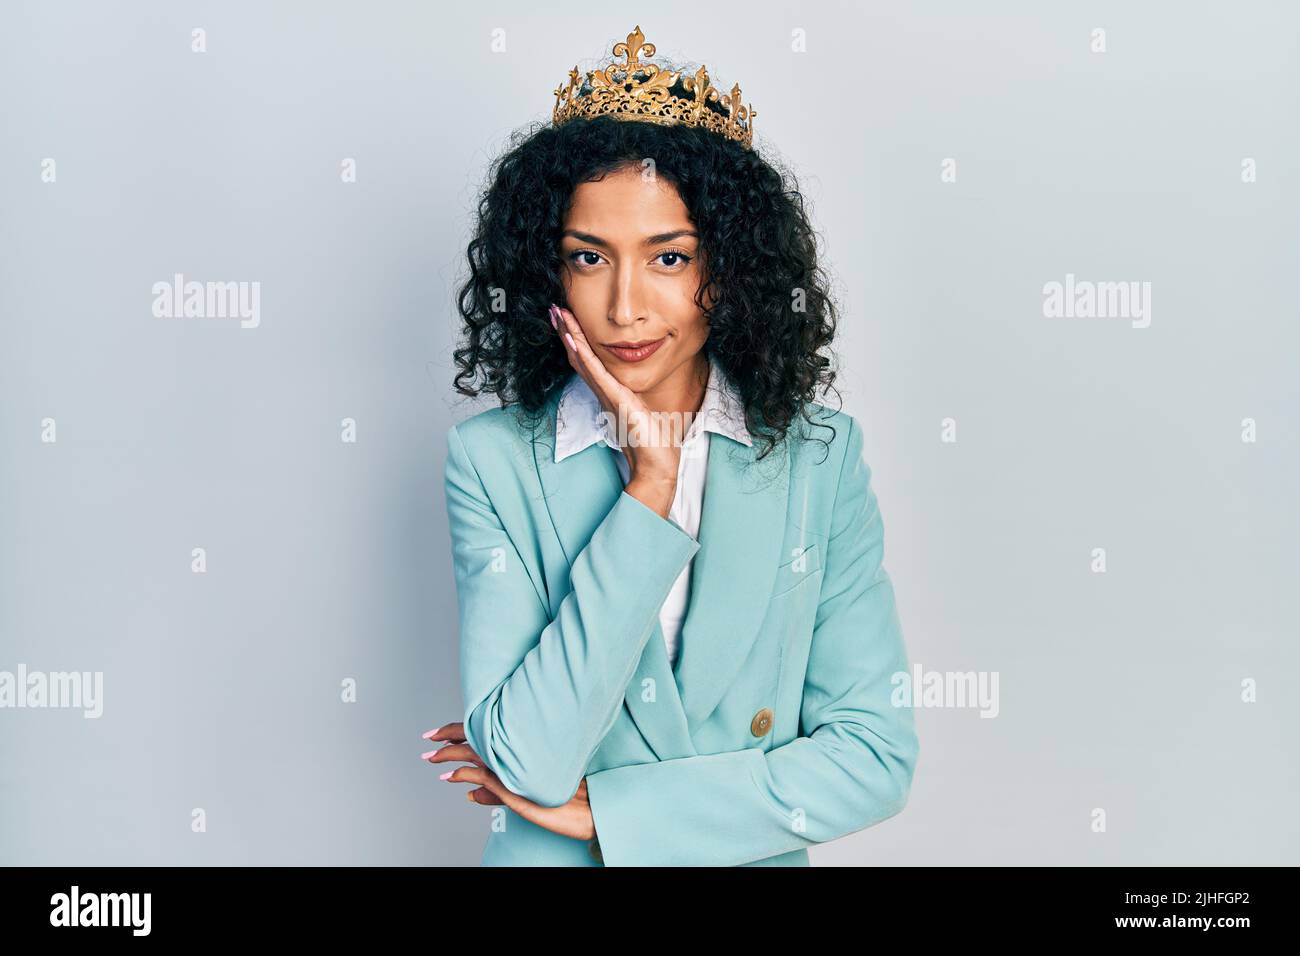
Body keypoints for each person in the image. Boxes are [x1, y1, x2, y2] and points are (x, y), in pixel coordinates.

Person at [421, 25, 919, 866]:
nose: (624, 306)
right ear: (549, 273)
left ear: (731, 269)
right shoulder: (492, 461)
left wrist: (619, 815)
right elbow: (531, 762)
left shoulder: (818, 457)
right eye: (589, 256)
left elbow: (874, 756)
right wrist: (649, 489)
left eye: (669, 257)